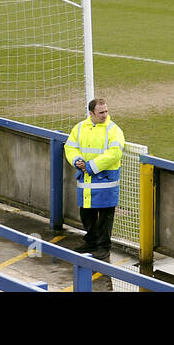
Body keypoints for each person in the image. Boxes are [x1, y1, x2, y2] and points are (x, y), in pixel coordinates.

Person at [65, 98, 125, 261]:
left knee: (105, 216)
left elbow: (115, 153)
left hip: (106, 180)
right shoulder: (79, 128)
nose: (105, 115)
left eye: (106, 111)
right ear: (91, 113)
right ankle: (91, 242)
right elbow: (70, 147)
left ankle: (103, 247)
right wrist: (76, 159)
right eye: (101, 112)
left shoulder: (114, 130)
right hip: (87, 180)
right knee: (87, 213)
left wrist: (90, 166)